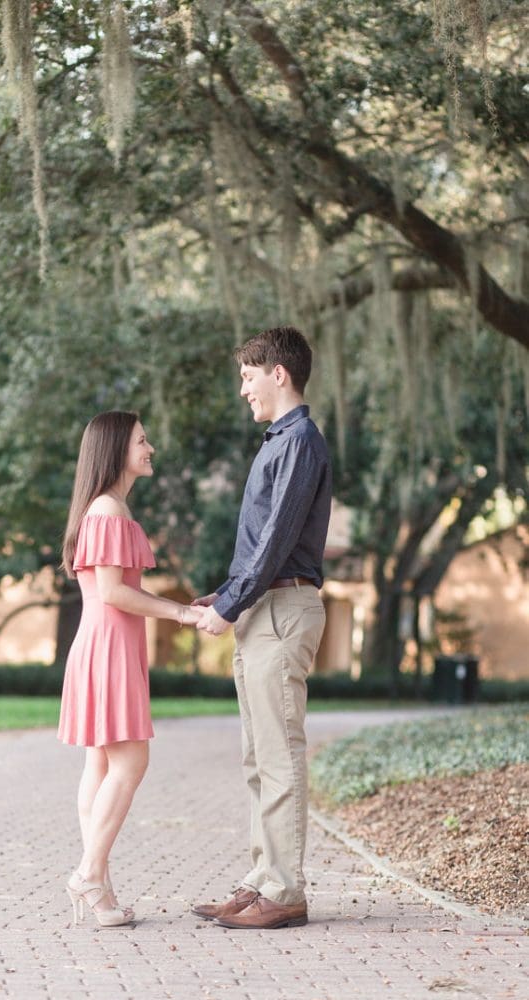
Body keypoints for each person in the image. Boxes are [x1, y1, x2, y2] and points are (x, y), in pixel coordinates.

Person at [192, 325, 332, 930]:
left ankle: (285, 889)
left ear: (280, 374)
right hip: (260, 609)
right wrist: (228, 597)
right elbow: (260, 544)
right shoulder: (278, 441)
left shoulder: (301, 440)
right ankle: (261, 879)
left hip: (283, 608)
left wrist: (232, 604)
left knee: (279, 756)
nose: (244, 390)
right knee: (257, 757)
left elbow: (276, 540)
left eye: (249, 378)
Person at [58, 410, 200, 927]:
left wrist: (185, 608)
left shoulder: (106, 509)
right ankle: (90, 874)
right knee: (130, 763)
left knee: (100, 764)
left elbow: (117, 591)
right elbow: (116, 592)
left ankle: (99, 888)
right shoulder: (108, 511)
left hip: (104, 645)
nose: (151, 447)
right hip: (109, 647)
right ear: (117, 449)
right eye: (142, 440)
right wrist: (182, 612)